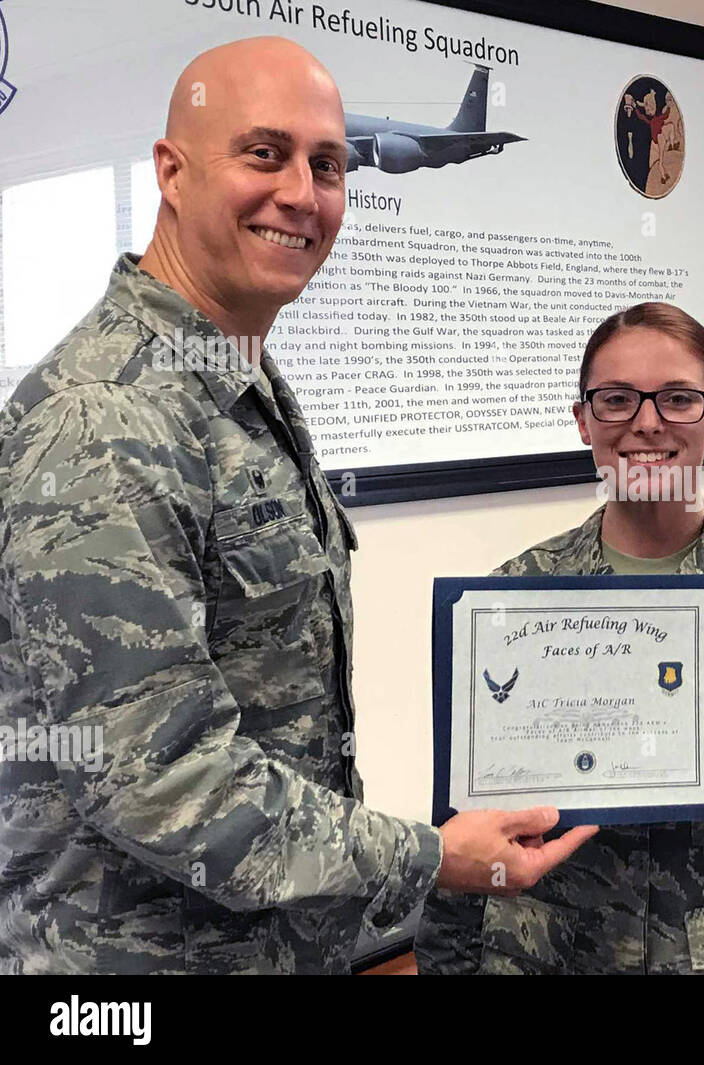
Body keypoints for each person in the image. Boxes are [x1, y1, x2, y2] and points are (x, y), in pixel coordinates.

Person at [0, 36, 592, 975]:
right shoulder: (106, 419)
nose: (303, 194)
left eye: (328, 164)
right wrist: (433, 856)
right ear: (171, 172)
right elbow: (164, 780)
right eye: (264, 154)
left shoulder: (232, 377)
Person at [417, 303, 704, 974]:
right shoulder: (507, 605)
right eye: (616, 400)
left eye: (677, 399)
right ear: (583, 418)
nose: (646, 422)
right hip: (551, 954)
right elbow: (470, 822)